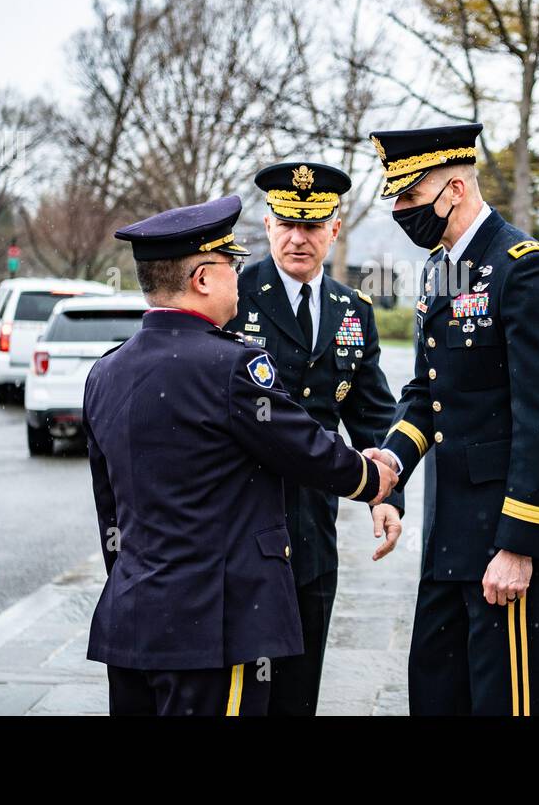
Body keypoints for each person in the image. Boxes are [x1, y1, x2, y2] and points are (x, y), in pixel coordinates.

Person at [83, 196, 396, 717]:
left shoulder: (106, 371)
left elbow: (109, 506)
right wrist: (373, 478)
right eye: (231, 264)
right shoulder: (230, 367)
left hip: (134, 616)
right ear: (203, 278)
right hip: (216, 623)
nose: (238, 276)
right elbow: (304, 447)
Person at [365, 122, 539, 716]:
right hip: (449, 533)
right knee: (437, 693)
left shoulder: (524, 268)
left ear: (456, 189)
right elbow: (425, 393)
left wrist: (520, 544)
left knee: (503, 701)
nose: (400, 211)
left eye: (410, 198)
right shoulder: (441, 270)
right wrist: (392, 457)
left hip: (505, 540)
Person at [227, 161, 400, 716]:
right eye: (287, 224)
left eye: (312, 225)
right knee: (243, 690)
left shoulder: (353, 310)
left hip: (313, 523)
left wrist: (385, 493)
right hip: (240, 516)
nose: (298, 238)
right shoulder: (234, 296)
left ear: (334, 228)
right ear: (269, 224)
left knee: (301, 685)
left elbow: (371, 409)